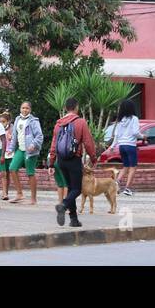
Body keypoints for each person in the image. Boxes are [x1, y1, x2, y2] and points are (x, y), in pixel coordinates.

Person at [47, 97, 95, 228]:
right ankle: (63, 205)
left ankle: (74, 220)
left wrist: (51, 163)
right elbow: (88, 142)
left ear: (66, 108)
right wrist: (93, 158)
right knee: (77, 189)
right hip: (74, 159)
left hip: (61, 161)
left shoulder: (59, 124)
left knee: (70, 188)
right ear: (76, 107)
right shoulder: (80, 122)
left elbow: (53, 145)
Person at [8, 101, 43, 205]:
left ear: (30, 110)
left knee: (30, 173)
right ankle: (19, 194)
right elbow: (14, 136)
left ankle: (33, 199)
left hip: (30, 151)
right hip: (20, 149)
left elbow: (39, 136)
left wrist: (33, 145)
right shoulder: (17, 119)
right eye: (23, 108)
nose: (25, 110)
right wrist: (11, 148)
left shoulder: (34, 121)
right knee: (12, 168)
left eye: (27, 108)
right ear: (20, 109)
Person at [113, 98, 142, 196]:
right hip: (130, 145)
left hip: (122, 146)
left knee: (125, 166)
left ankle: (116, 182)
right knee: (133, 167)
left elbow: (116, 135)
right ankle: (127, 188)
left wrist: (112, 146)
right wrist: (143, 136)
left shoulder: (120, 120)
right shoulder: (134, 118)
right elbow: (135, 133)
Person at [0, 111, 15, 200]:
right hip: (1, 154)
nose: (1, 124)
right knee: (3, 173)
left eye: (3, 121)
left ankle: (6, 192)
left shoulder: (12, 129)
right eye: (0, 122)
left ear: (8, 121)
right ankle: (4, 193)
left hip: (10, 155)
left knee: (8, 174)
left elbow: (16, 141)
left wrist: (12, 138)